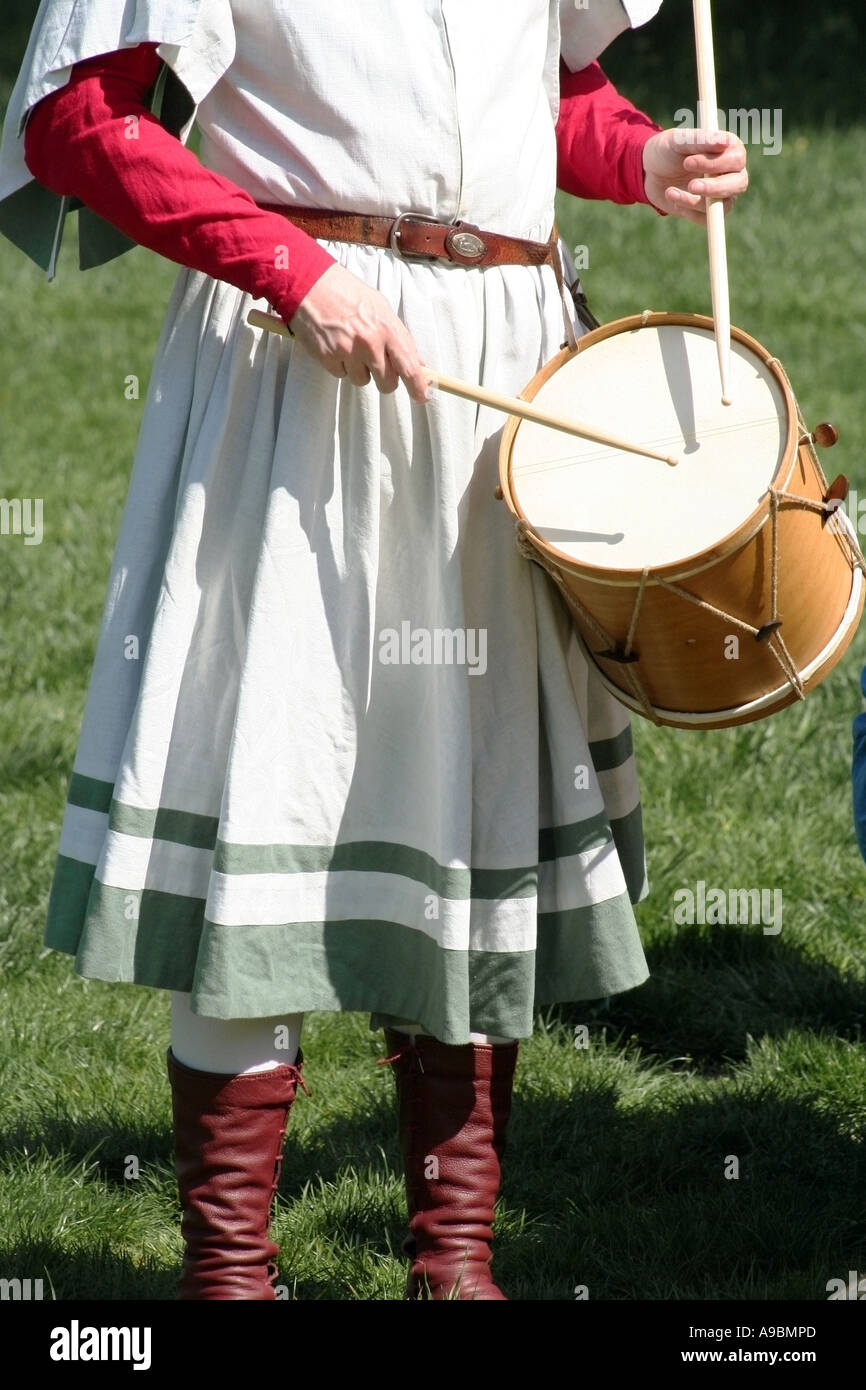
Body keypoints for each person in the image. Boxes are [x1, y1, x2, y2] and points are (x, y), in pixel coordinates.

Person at [0, 0, 748, 1300]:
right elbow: (73, 121)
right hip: (297, 370)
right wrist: (291, 269)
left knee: (470, 811)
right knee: (266, 804)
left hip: (499, 383)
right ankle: (230, 1279)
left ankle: (453, 1270)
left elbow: (536, 93)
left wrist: (638, 155)